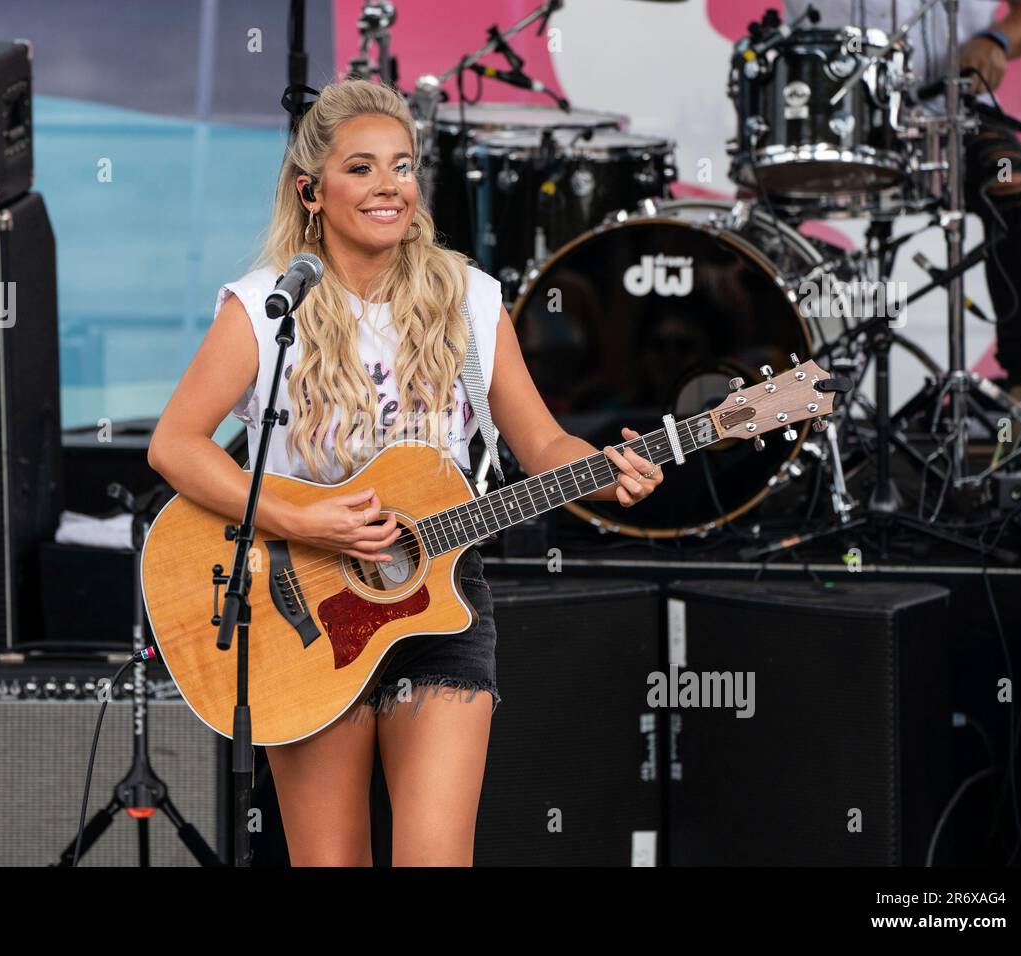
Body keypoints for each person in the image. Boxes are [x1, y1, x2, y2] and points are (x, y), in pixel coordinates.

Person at [146, 77, 664, 866]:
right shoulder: (263, 308)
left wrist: (602, 470)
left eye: (402, 165)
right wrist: (304, 519)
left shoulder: (470, 299)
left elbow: (542, 444)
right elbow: (176, 445)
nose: (388, 186)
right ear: (310, 188)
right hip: (302, 612)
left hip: (441, 602)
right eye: (361, 167)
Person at [784, 0, 1021, 420]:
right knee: (762, 224)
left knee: (1010, 178)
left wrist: (996, 39)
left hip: (952, 115)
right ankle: (765, 393)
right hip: (828, 120)